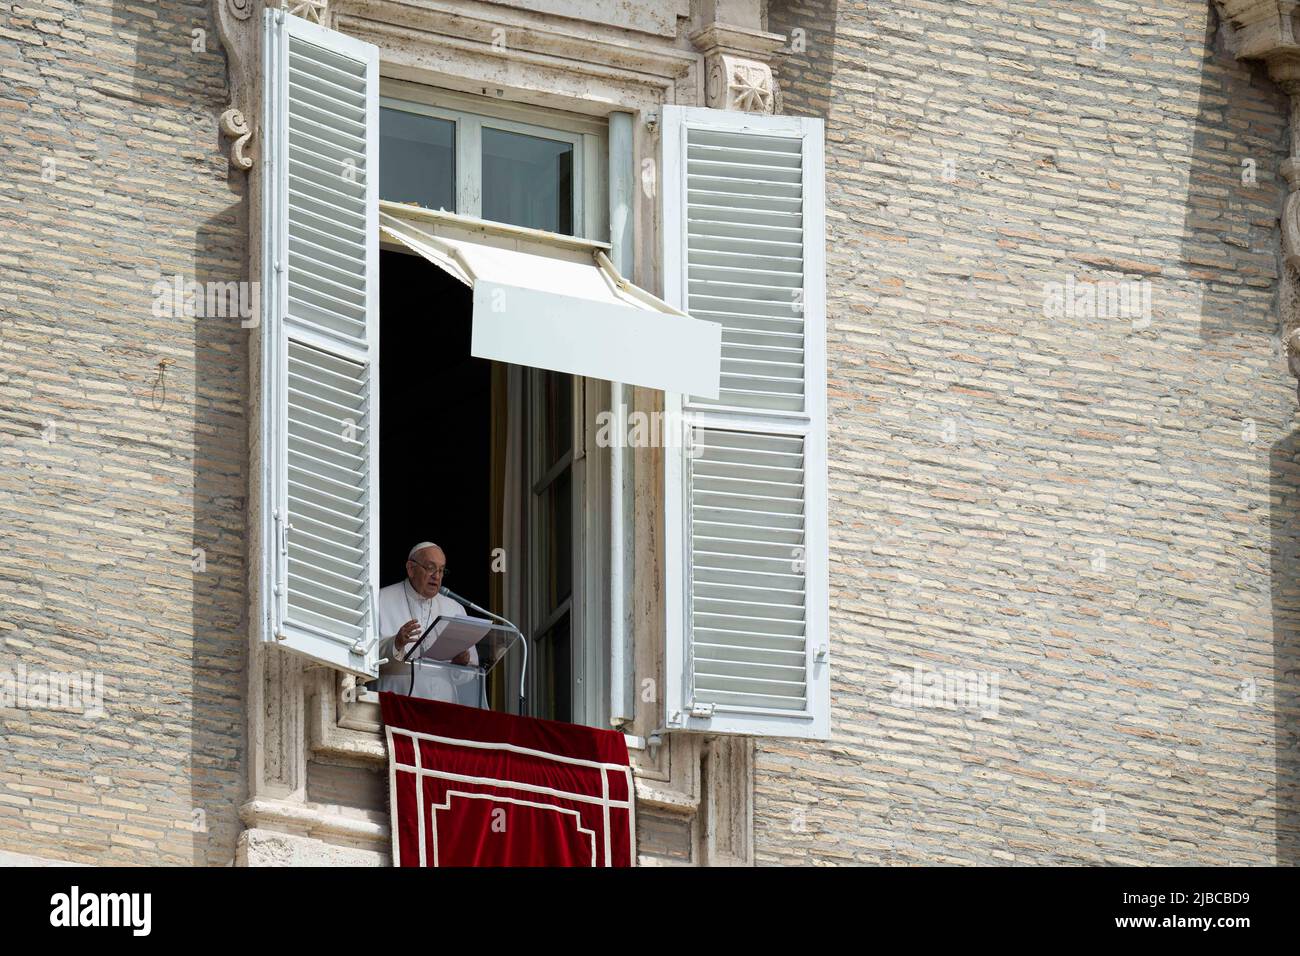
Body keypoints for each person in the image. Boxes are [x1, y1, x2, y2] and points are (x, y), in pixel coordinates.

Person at [377, 542, 479, 669]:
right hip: (398, 687)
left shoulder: (455, 609)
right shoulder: (380, 599)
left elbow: (473, 670)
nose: (436, 576)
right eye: (430, 568)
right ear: (411, 568)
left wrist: (459, 665)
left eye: (441, 570)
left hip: (442, 688)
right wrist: (396, 644)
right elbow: (364, 657)